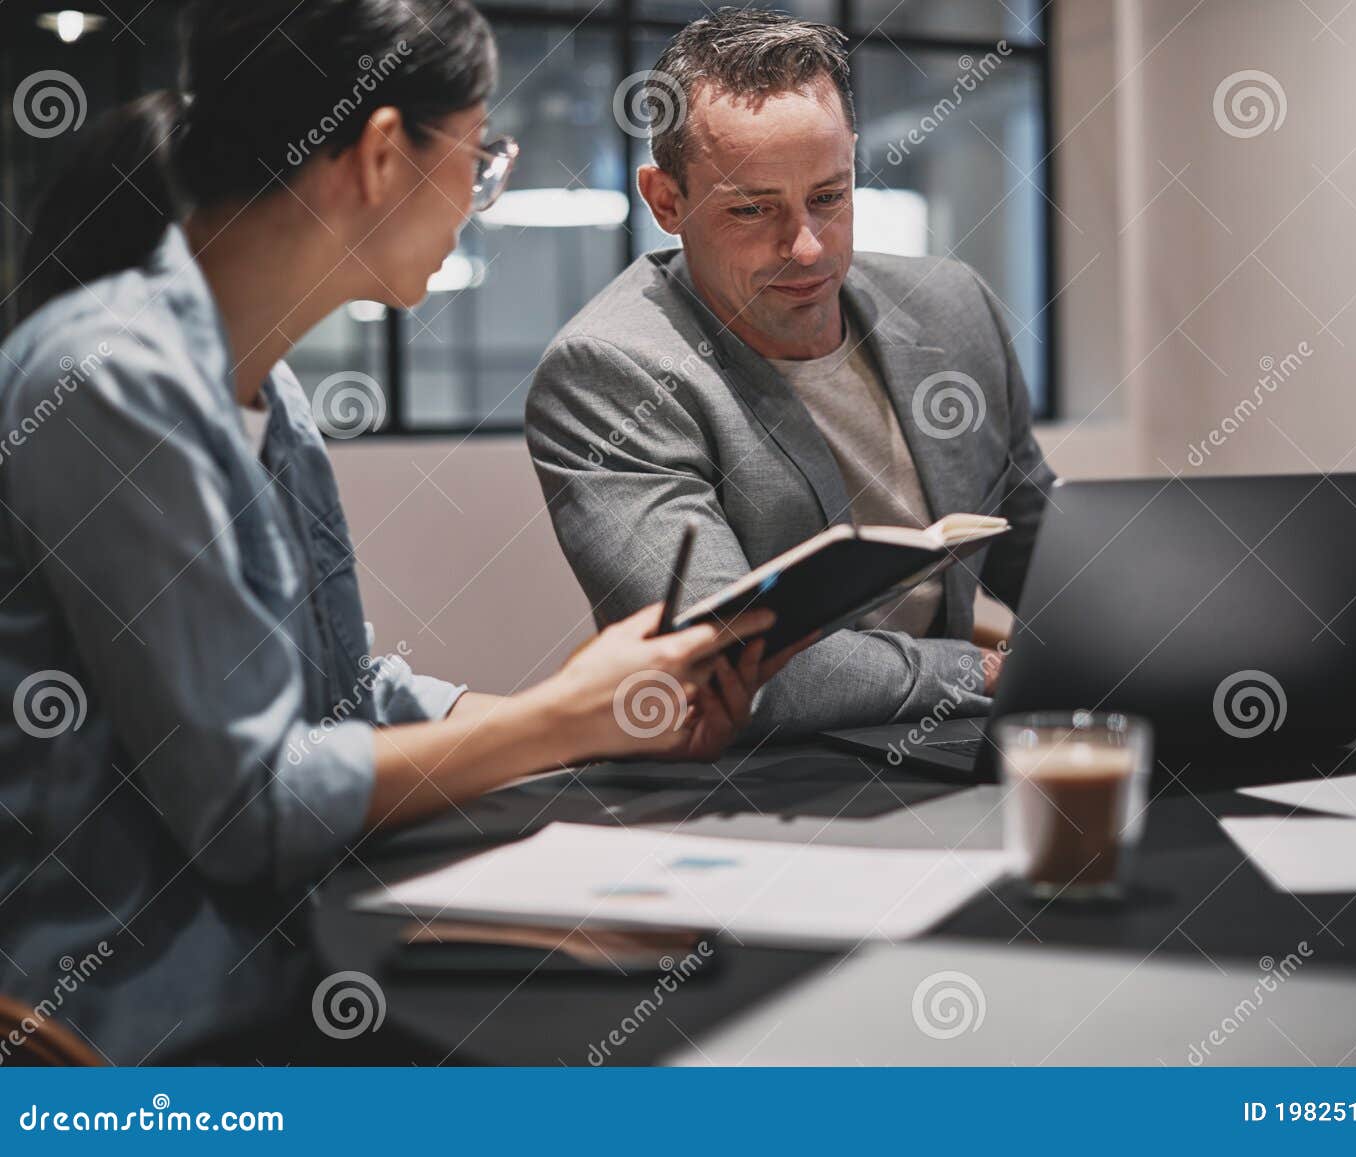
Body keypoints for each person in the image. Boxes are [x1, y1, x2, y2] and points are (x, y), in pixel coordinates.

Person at [0, 0, 803, 1065]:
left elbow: (338, 687)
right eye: (476, 160)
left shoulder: (264, 387)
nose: (475, 200)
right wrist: (560, 722)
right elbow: (253, 807)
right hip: (130, 1023)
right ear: (381, 154)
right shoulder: (112, 384)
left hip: (284, 956)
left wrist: (587, 711)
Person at [525, 9, 1057, 738]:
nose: (807, 248)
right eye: (753, 209)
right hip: (759, 783)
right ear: (666, 201)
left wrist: (1172, 629)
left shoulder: (952, 307)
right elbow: (722, 661)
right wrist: (979, 670)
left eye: (830, 198)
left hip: (954, 746)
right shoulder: (611, 374)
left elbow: (1043, 553)